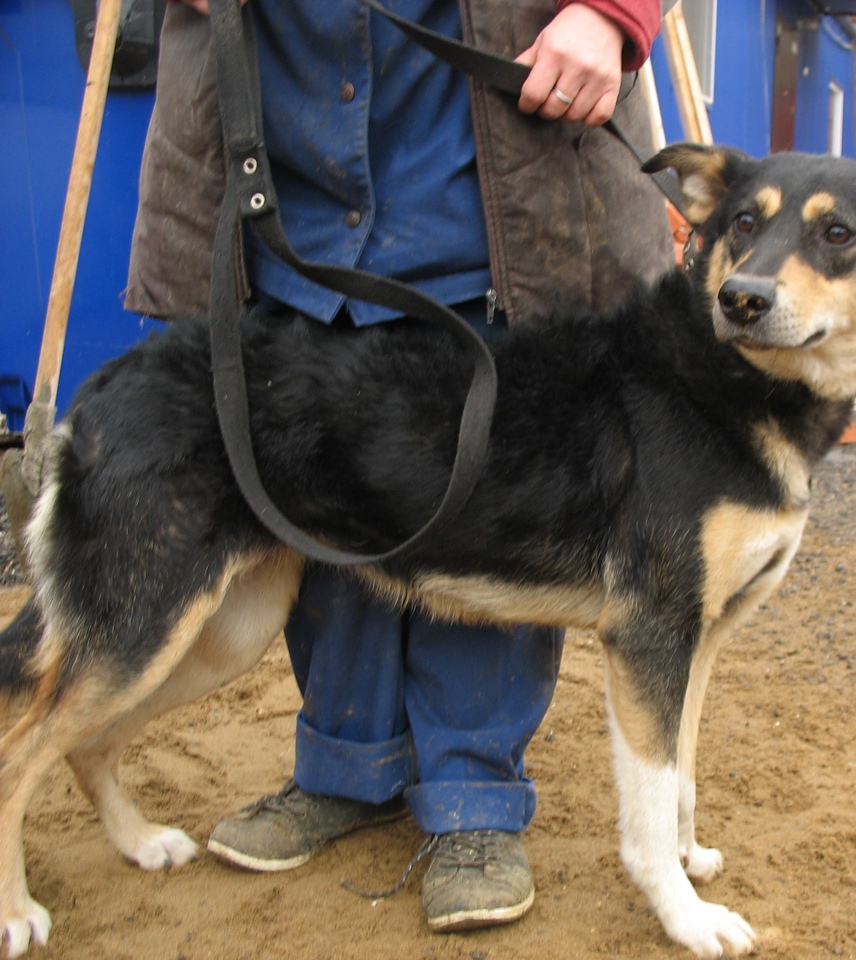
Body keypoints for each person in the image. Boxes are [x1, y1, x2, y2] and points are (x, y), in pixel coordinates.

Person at [125, 0, 672, 934]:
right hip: (290, 161)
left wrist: (613, 11)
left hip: (495, 169)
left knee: (501, 499)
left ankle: (474, 802)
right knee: (320, 485)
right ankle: (346, 768)